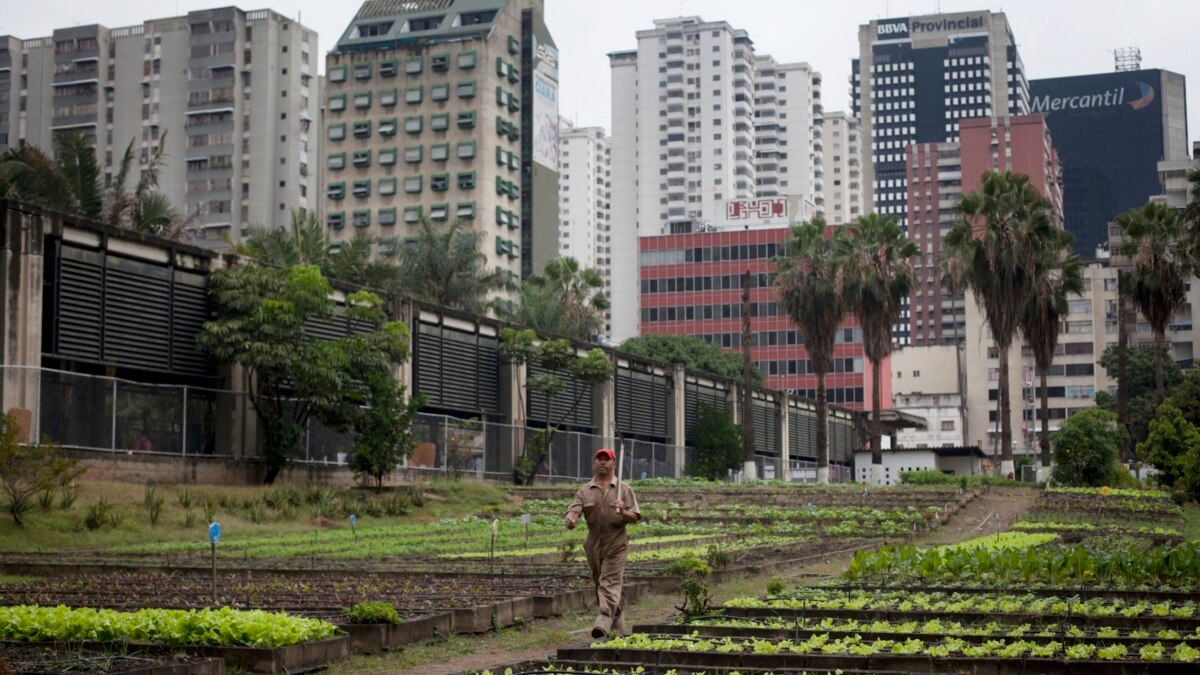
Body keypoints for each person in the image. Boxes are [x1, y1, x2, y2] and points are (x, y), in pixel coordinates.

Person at [565, 447, 641, 638]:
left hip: (616, 541)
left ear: (614, 463)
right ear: (594, 463)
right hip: (594, 543)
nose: (602, 462)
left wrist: (623, 512)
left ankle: (603, 621)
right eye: (599, 459)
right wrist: (571, 519)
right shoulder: (585, 490)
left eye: (606, 459)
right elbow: (574, 510)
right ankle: (618, 623)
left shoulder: (623, 489)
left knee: (609, 582)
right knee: (600, 582)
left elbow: (635, 516)